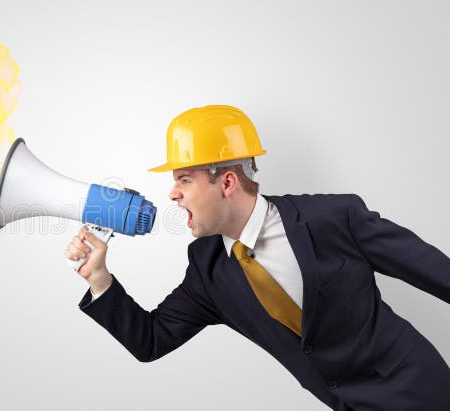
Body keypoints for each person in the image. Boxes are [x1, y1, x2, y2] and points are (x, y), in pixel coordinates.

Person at [66, 105, 450, 410]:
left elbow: (435, 271)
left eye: (184, 180)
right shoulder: (207, 270)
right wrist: (99, 277)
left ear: (228, 182)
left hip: (420, 392)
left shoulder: (333, 218)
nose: (172, 194)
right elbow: (150, 340)